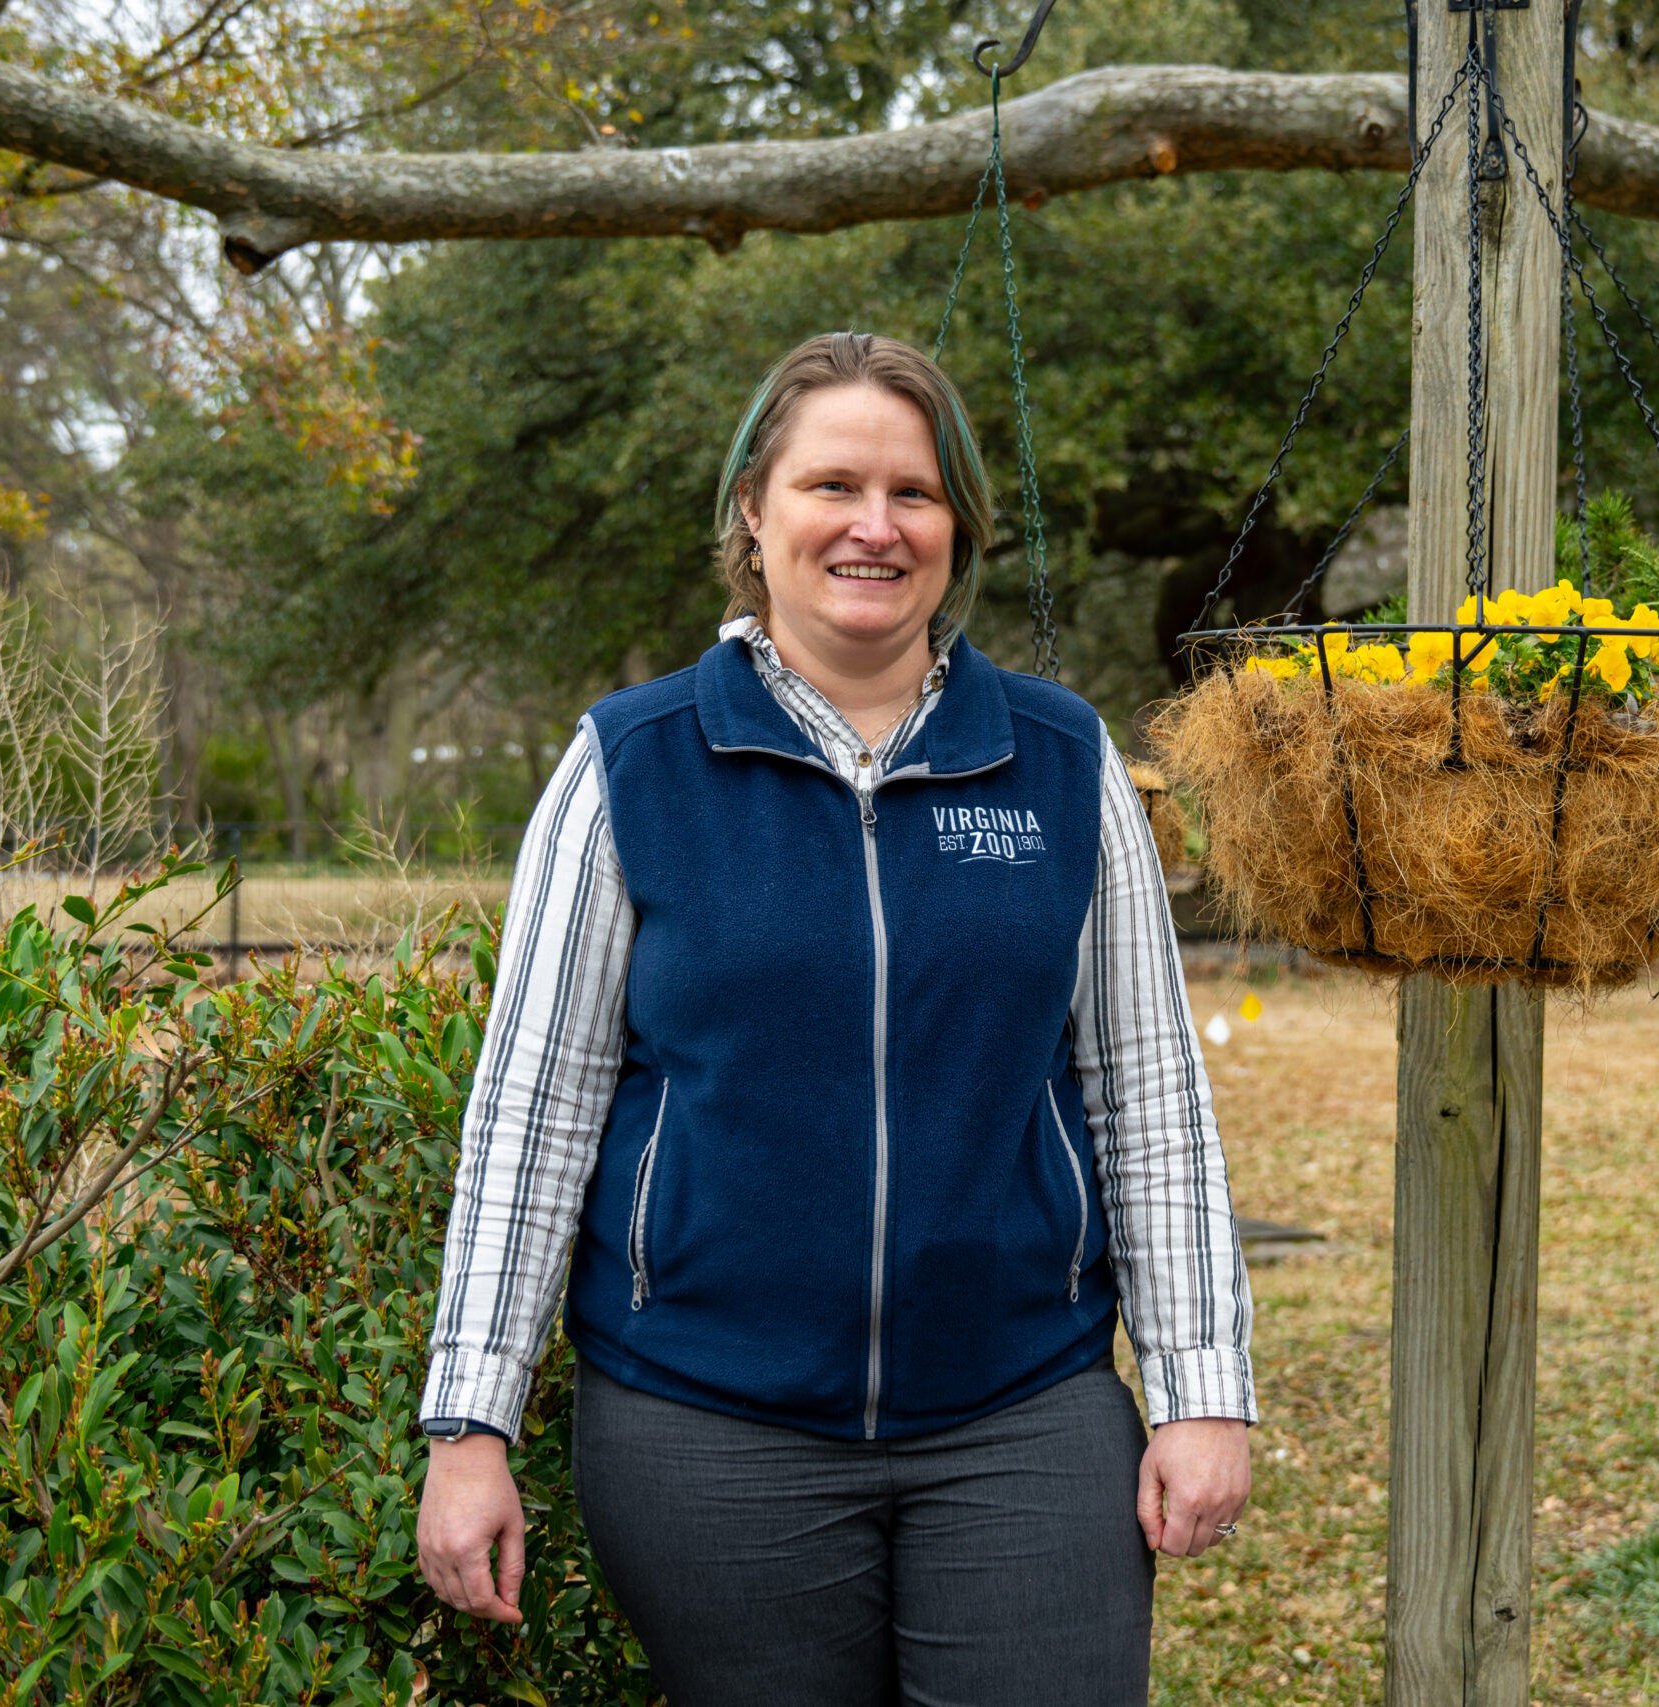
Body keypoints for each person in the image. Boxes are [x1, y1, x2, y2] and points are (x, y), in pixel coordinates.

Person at [414, 330, 1255, 1705]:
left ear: (957, 524)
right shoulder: (630, 765)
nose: (875, 526)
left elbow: (1148, 1093)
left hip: (1020, 1414)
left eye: (914, 493)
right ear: (756, 508)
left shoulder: (1060, 760)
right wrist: (470, 1424)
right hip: (707, 1428)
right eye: (831, 486)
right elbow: (534, 1112)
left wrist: (1203, 1388)